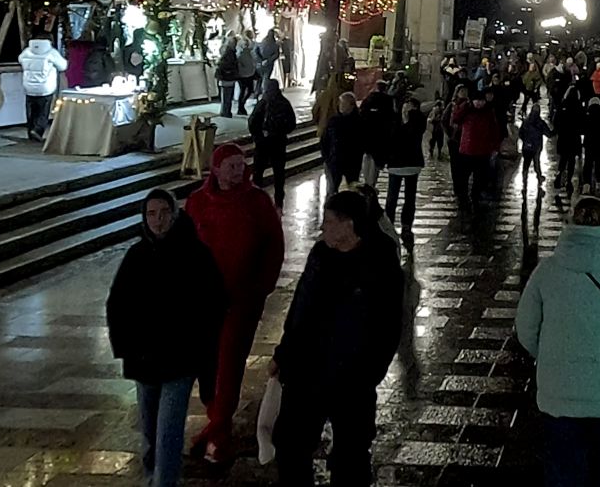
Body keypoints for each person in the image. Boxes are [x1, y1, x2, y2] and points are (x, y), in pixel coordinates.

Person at [269, 190, 404, 485]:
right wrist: (283, 353)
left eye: (329, 221)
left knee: (351, 455)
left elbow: (389, 326)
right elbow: (300, 308)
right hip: (307, 371)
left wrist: (370, 372)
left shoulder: (380, 263)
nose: (322, 227)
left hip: (352, 378)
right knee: (290, 445)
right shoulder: (321, 254)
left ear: (349, 224)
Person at [516, 196, 600, 487]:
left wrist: (549, 356)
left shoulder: (546, 272)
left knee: (563, 473)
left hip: (558, 396)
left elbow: (525, 329)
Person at [107, 190, 226, 487]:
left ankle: (164, 482)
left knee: (168, 433)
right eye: (151, 214)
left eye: (163, 213)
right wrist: (126, 348)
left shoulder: (196, 254)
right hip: (144, 361)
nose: (158, 220)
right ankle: (153, 477)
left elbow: (214, 305)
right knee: (149, 432)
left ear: (174, 214)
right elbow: (117, 304)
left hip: (179, 363)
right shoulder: (137, 255)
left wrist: (200, 353)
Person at [183, 142, 284, 464]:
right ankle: (215, 419)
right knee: (207, 366)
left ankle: (219, 432)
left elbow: (274, 246)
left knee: (228, 364)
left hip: (241, 301)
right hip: (203, 302)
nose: (238, 171)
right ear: (216, 169)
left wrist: (260, 287)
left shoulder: (257, 202)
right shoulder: (198, 202)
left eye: (242, 165)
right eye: (231, 166)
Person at [385, 96, 427, 245]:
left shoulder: (418, 121)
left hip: (411, 164)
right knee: (392, 197)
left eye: (411, 106)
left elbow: (413, 134)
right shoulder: (394, 120)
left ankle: (406, 225)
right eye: (405, 105)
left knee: (409, 197)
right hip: (395, 164)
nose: (406, 108)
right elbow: (389, 137)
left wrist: (412, 116)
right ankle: (388, 224)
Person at [452, 85, 502, 208]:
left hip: (483, 151)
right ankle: (463, 198)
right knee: (464, 176)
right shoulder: (466, 111)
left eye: (481, 101)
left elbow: (494, 130)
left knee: (480, 177)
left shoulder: (488, 113)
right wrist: (465, 105)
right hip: (467, 150)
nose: (479, 103)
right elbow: (456, 118)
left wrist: (495, 147)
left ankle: (475, 196)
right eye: (476, 100)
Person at [248, 78, 296, 204]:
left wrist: (259, 136)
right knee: (278, 174)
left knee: (260, 172)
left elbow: (252, 122)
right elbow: (291, 124)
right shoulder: (283, 103)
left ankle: (258, 200)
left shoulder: (264, 103)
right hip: (277, 143)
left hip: (265, 143)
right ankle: (277, 201)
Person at [16, 31, 68, 142]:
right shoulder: (52, 52)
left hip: (29, 86)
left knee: (31, 111)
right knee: (43, 112)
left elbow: (20, 60)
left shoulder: (27, 51)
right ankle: (37, 130)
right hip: (45, 87)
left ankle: (30, 132)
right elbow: (63, 66)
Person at [324, 93, 362, 192]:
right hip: (335, 161)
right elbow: (325, 140)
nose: (340, 106)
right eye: (340, 103)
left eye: (343, 103)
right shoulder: (334, 120)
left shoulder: (358, 121)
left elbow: (362, 142)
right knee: (332, 189)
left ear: (351, 105)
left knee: (353, 188)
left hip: (352, 161)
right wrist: (327, 158)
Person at [518, 103, 547, 196]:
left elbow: (520, 133)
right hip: (536, 148)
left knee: (525, 165)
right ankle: (539, 178)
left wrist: (526, 141)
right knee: (536, 164)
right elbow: (549, 134)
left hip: (526, 147)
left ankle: (524, 182)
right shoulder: (541, 123)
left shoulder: (526, 121)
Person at [216, 34, 241, 118]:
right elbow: (230, 65)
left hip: (224, 77)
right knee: (228, 96)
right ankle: (226, 112)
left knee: (226, 96)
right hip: (228, 77)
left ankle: (225, 111)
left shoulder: (225, 51)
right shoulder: (230, 53)